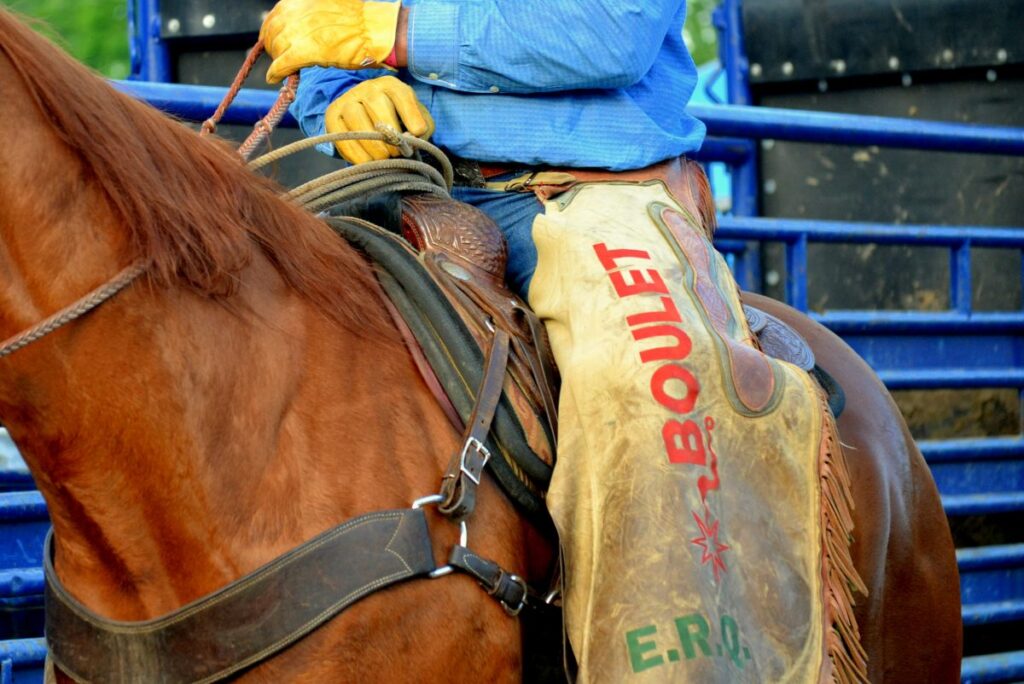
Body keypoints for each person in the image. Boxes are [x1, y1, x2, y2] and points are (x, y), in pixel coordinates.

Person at [259, 4, 849, 682]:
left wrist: (397, 33)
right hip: (410, 182)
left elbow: (610, 34)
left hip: (587, 190)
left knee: (642, 387)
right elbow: (326, 23)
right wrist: (338, 97)